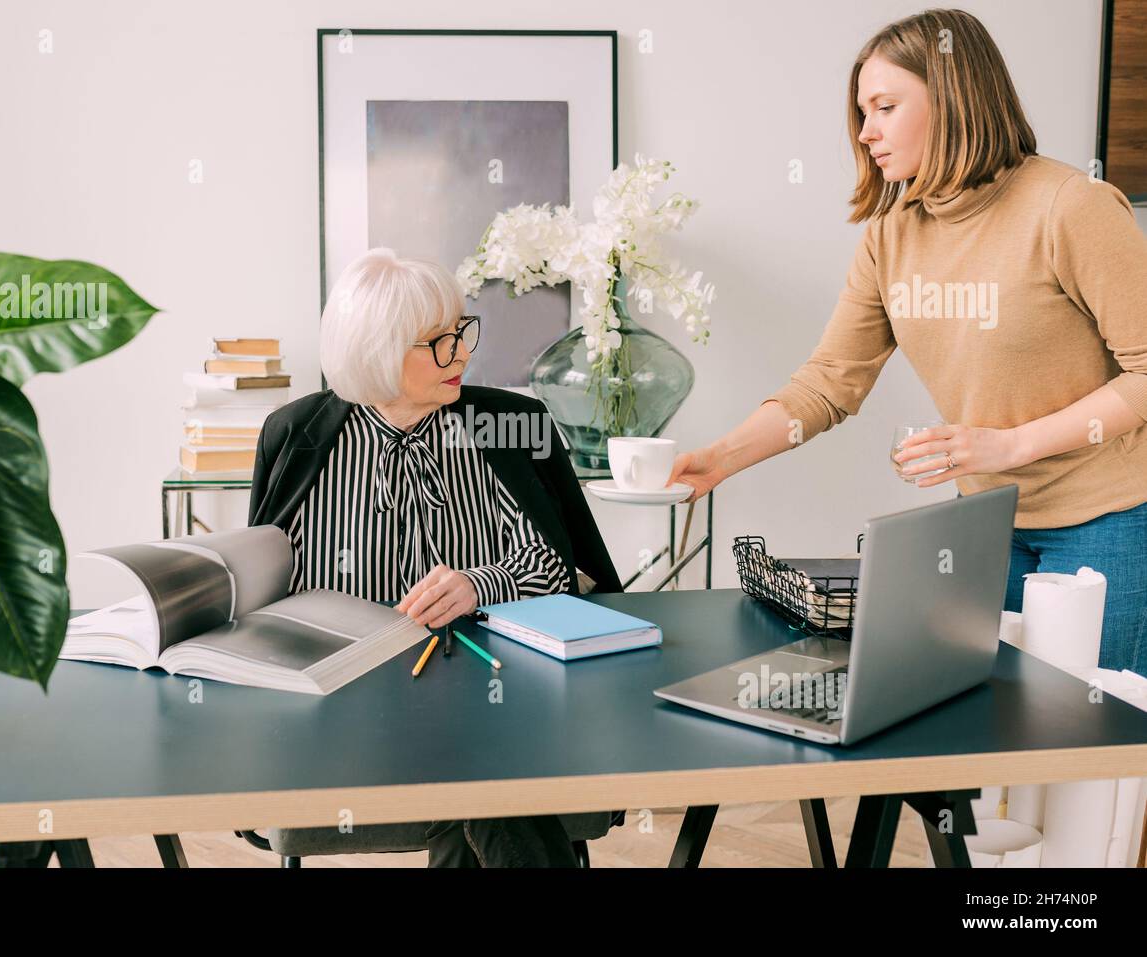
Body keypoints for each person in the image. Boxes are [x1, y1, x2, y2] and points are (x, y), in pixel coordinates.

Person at [669, 8, 1147, 676]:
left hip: (1110, 521)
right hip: (986, 523)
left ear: (952, 99)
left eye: (885, 107)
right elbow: (831, 379)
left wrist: (1011, 444)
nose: (865, 133)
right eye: (862, 112)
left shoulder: (1070, 207)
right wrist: (720, 458)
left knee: (1091, 747)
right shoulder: (891, 235)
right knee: (986, 738)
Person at [248, 246, 622, 866]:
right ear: (376, 354)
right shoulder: (295, 436)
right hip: (350, 704)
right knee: (484, 777)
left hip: (499, 689)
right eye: (438, 343)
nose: (464, 354)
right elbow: (267, 593)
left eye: (461, 332)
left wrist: (480, 585)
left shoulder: (509, 426)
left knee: (478, 758)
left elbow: (561, 569)